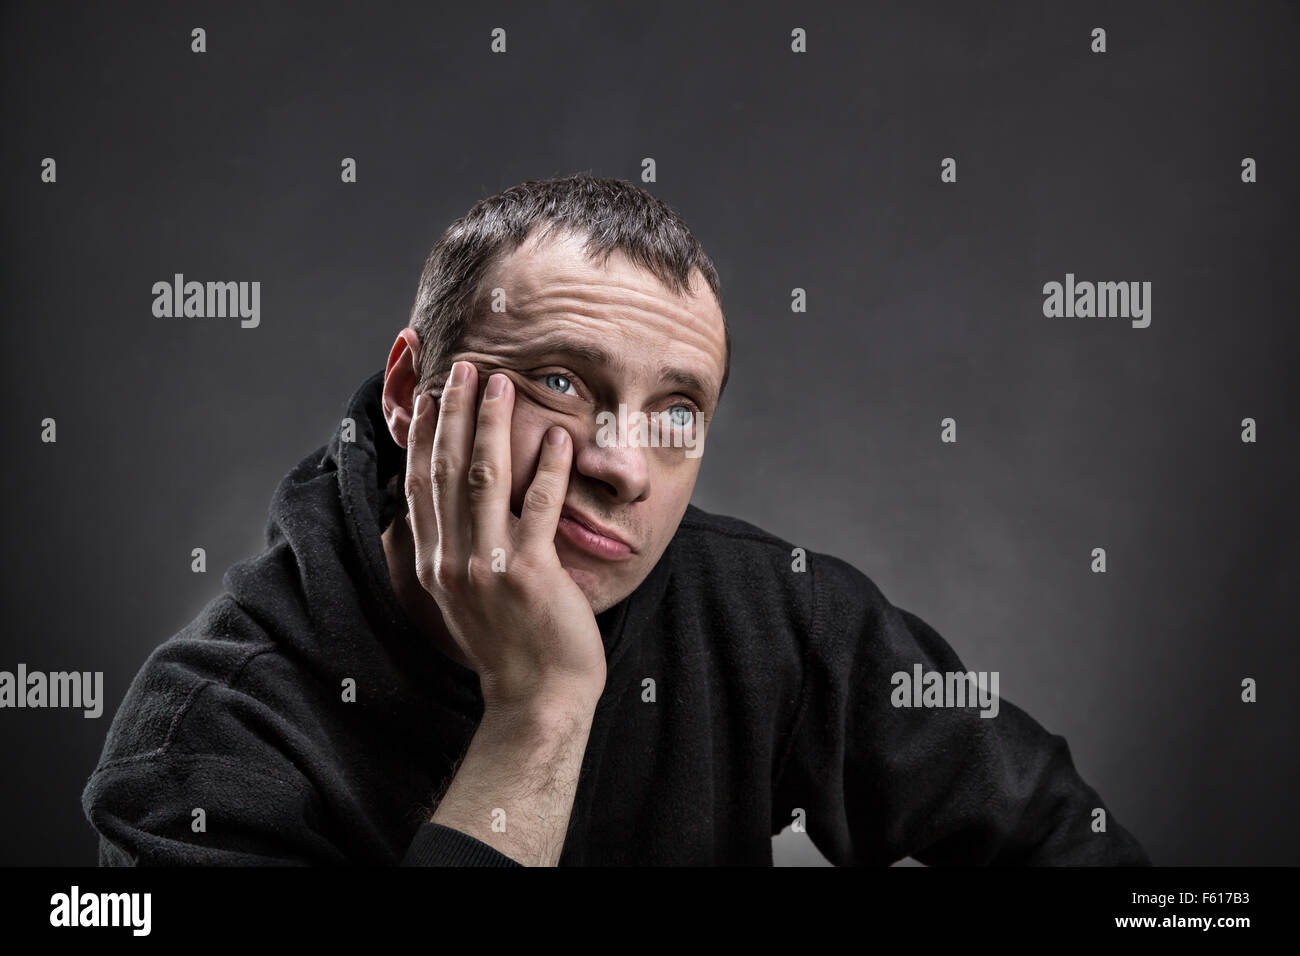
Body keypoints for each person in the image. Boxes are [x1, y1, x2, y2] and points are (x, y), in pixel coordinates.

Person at [82, 173, 1150, 866]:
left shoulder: (774, 617)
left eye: (676, 412)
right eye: (558, 380)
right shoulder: (207, 741)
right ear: (411, 392)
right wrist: (539, 708)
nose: (622, 466)